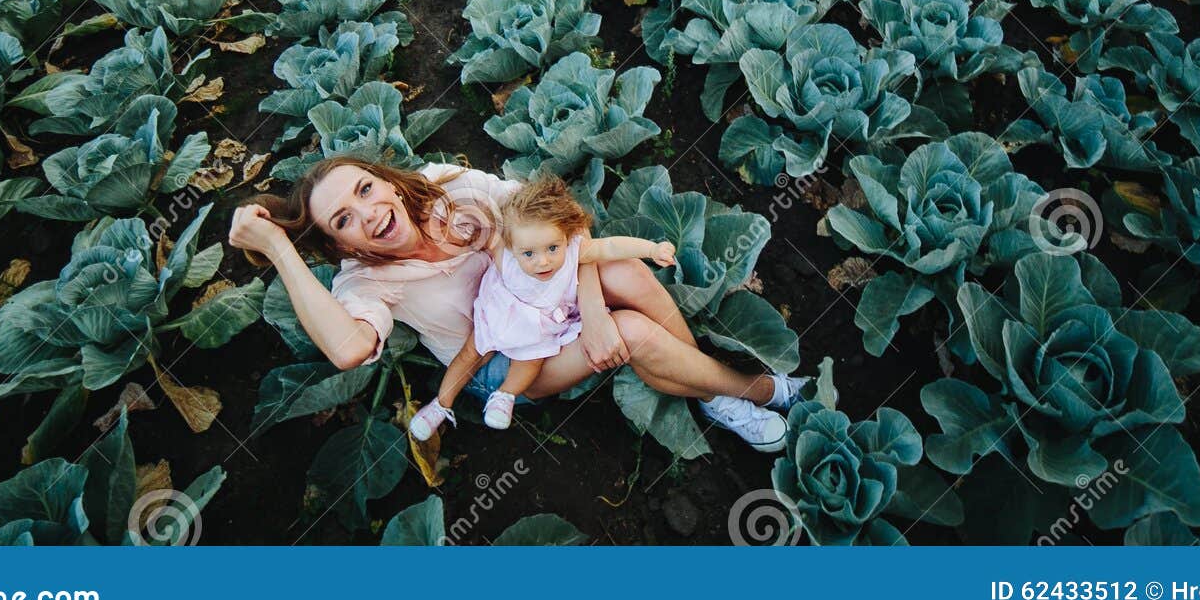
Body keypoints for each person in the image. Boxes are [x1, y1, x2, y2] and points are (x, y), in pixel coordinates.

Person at [227, 156, 807, 451]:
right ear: (337, 244)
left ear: (387, 182)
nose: (370, 211)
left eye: (365, 188)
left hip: (545, 293)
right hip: (501, 360)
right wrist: (279, 247)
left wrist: (594, 309)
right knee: (634, 332)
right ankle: (755, 391)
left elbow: (566, 224)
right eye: (344, 219)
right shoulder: (364, 282)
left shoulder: (447, 185)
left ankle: (707, 391)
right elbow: (350, 349)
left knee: (623, 272)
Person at [407, 172, 678, 438]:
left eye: (552, 248)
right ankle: (441, 404)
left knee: (528, 361)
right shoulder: (506, 251)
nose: (543, 262)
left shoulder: (573, 252)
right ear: (513, 247)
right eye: (529, 254)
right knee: (468, 356)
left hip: (534, 329)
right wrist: (448, 217)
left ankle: (505, 396)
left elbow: (609, 247)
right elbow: (477, 227)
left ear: (564, 237)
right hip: (496, 316)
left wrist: (651, 250)